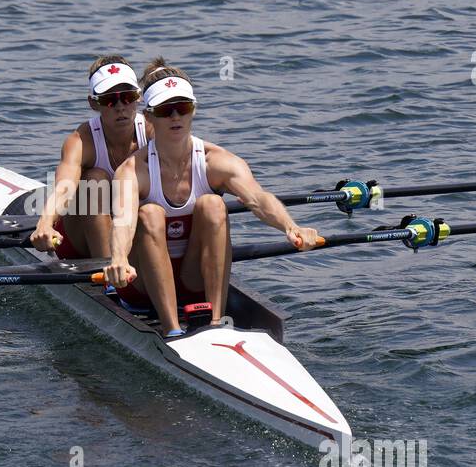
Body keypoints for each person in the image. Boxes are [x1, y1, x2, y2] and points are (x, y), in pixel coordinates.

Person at [104, 59, 319, 337]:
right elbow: (123, 222)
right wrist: (119, 257)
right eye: (166, 110)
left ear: (193, 110)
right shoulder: (133, 171)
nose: (175, 118)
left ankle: (216, 323)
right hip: (141, 286)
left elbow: (258, 199)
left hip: (193, 281)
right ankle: (172, 329)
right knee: (150, 213)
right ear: (150, 116)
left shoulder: (217, 161)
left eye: (182, 108)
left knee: (213, 204)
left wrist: (291, 227)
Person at [30, 56, 151, 259]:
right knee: (95, 179)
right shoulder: (81, 141)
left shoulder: (152, 132)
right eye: (109, 99)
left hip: (131, 236)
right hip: (78, 243)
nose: (120, 106)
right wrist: (44, 223)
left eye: (127, 96)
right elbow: (64, 188)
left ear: (138, 97)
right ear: (93, 103)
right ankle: (109, 276)